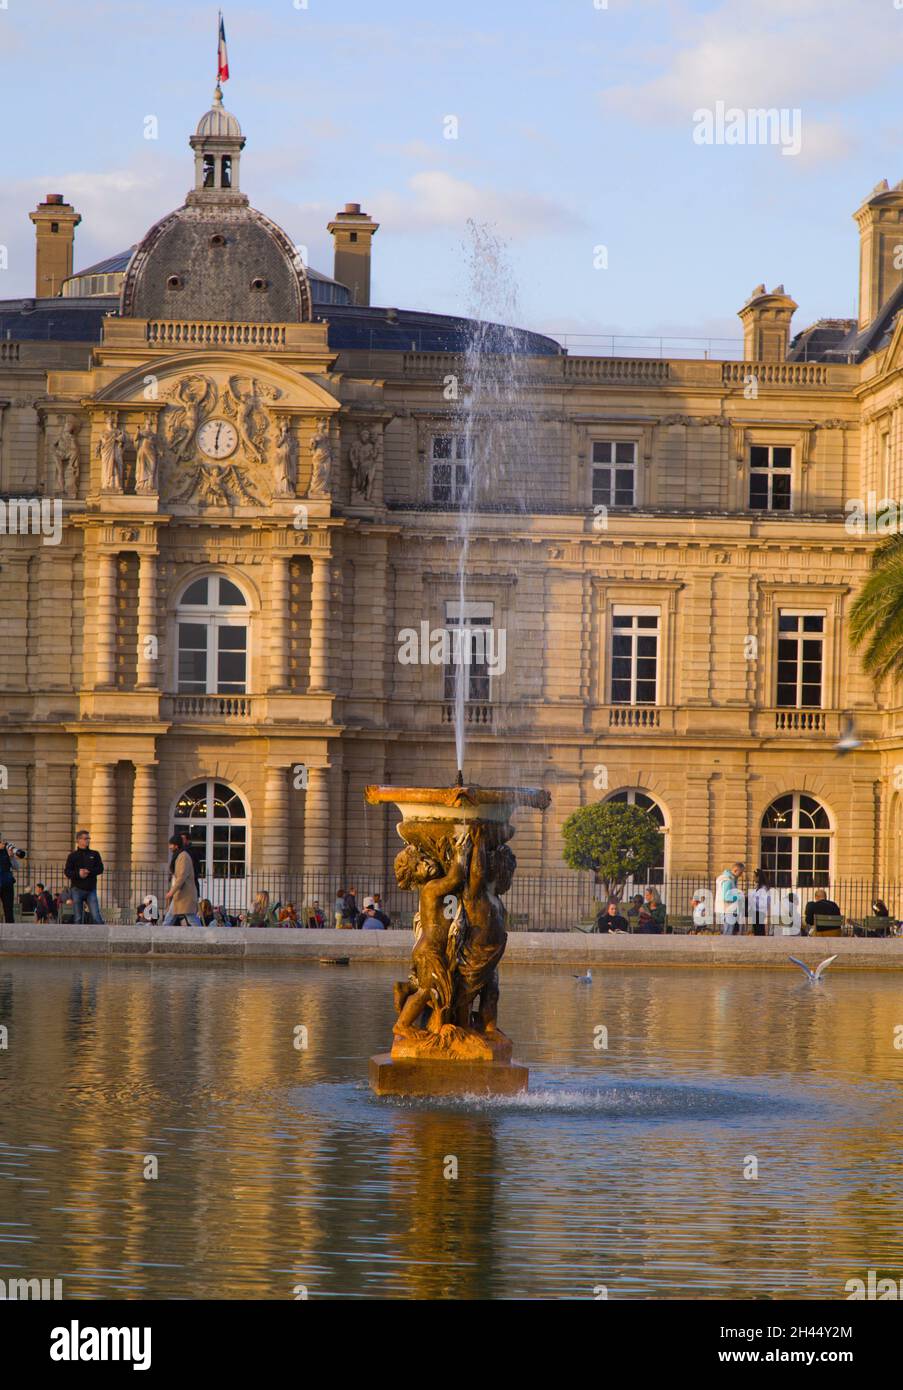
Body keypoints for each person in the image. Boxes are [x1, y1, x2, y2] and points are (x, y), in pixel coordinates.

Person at [64, 829, 105, 924]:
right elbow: (67, 872)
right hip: (76, 889)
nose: (88, 840)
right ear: (78, 840)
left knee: (96, 916)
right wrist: (78, 874)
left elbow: (100, 869)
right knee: (77, 917)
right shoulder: (72, 856)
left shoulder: (94, 854)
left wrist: (89, 872)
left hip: (91, 889)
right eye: (85, 838)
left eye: (88, 838)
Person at [162, 835, 203, 927]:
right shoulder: (181, 855)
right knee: (170, 917)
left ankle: (202, 936)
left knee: (190, 917)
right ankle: (161, 934)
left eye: (171, 845)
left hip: (185, 895)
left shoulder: (183, 857)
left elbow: (181, 877)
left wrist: (171, 892)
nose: (169, 847)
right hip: (181, 895)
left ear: (176, 845)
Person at [715, 862, 745, 935]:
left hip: (725, 909)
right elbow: (726, 897)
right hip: (727, 910)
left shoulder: (727, 879)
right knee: (728, 933)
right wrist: (740, 896)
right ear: (735, 870)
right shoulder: (728, 881)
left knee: (727, 932)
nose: (741, 875)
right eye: (740, 872)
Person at [748, 869, 772, 937]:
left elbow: (764, 902)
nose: (753, 878)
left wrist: (754, 901)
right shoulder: (758, 887)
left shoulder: (763, 888)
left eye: (754, 876)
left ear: (758, 877)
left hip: (760, 911)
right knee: (757, 930)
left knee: (759, 930)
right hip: (755, 911)